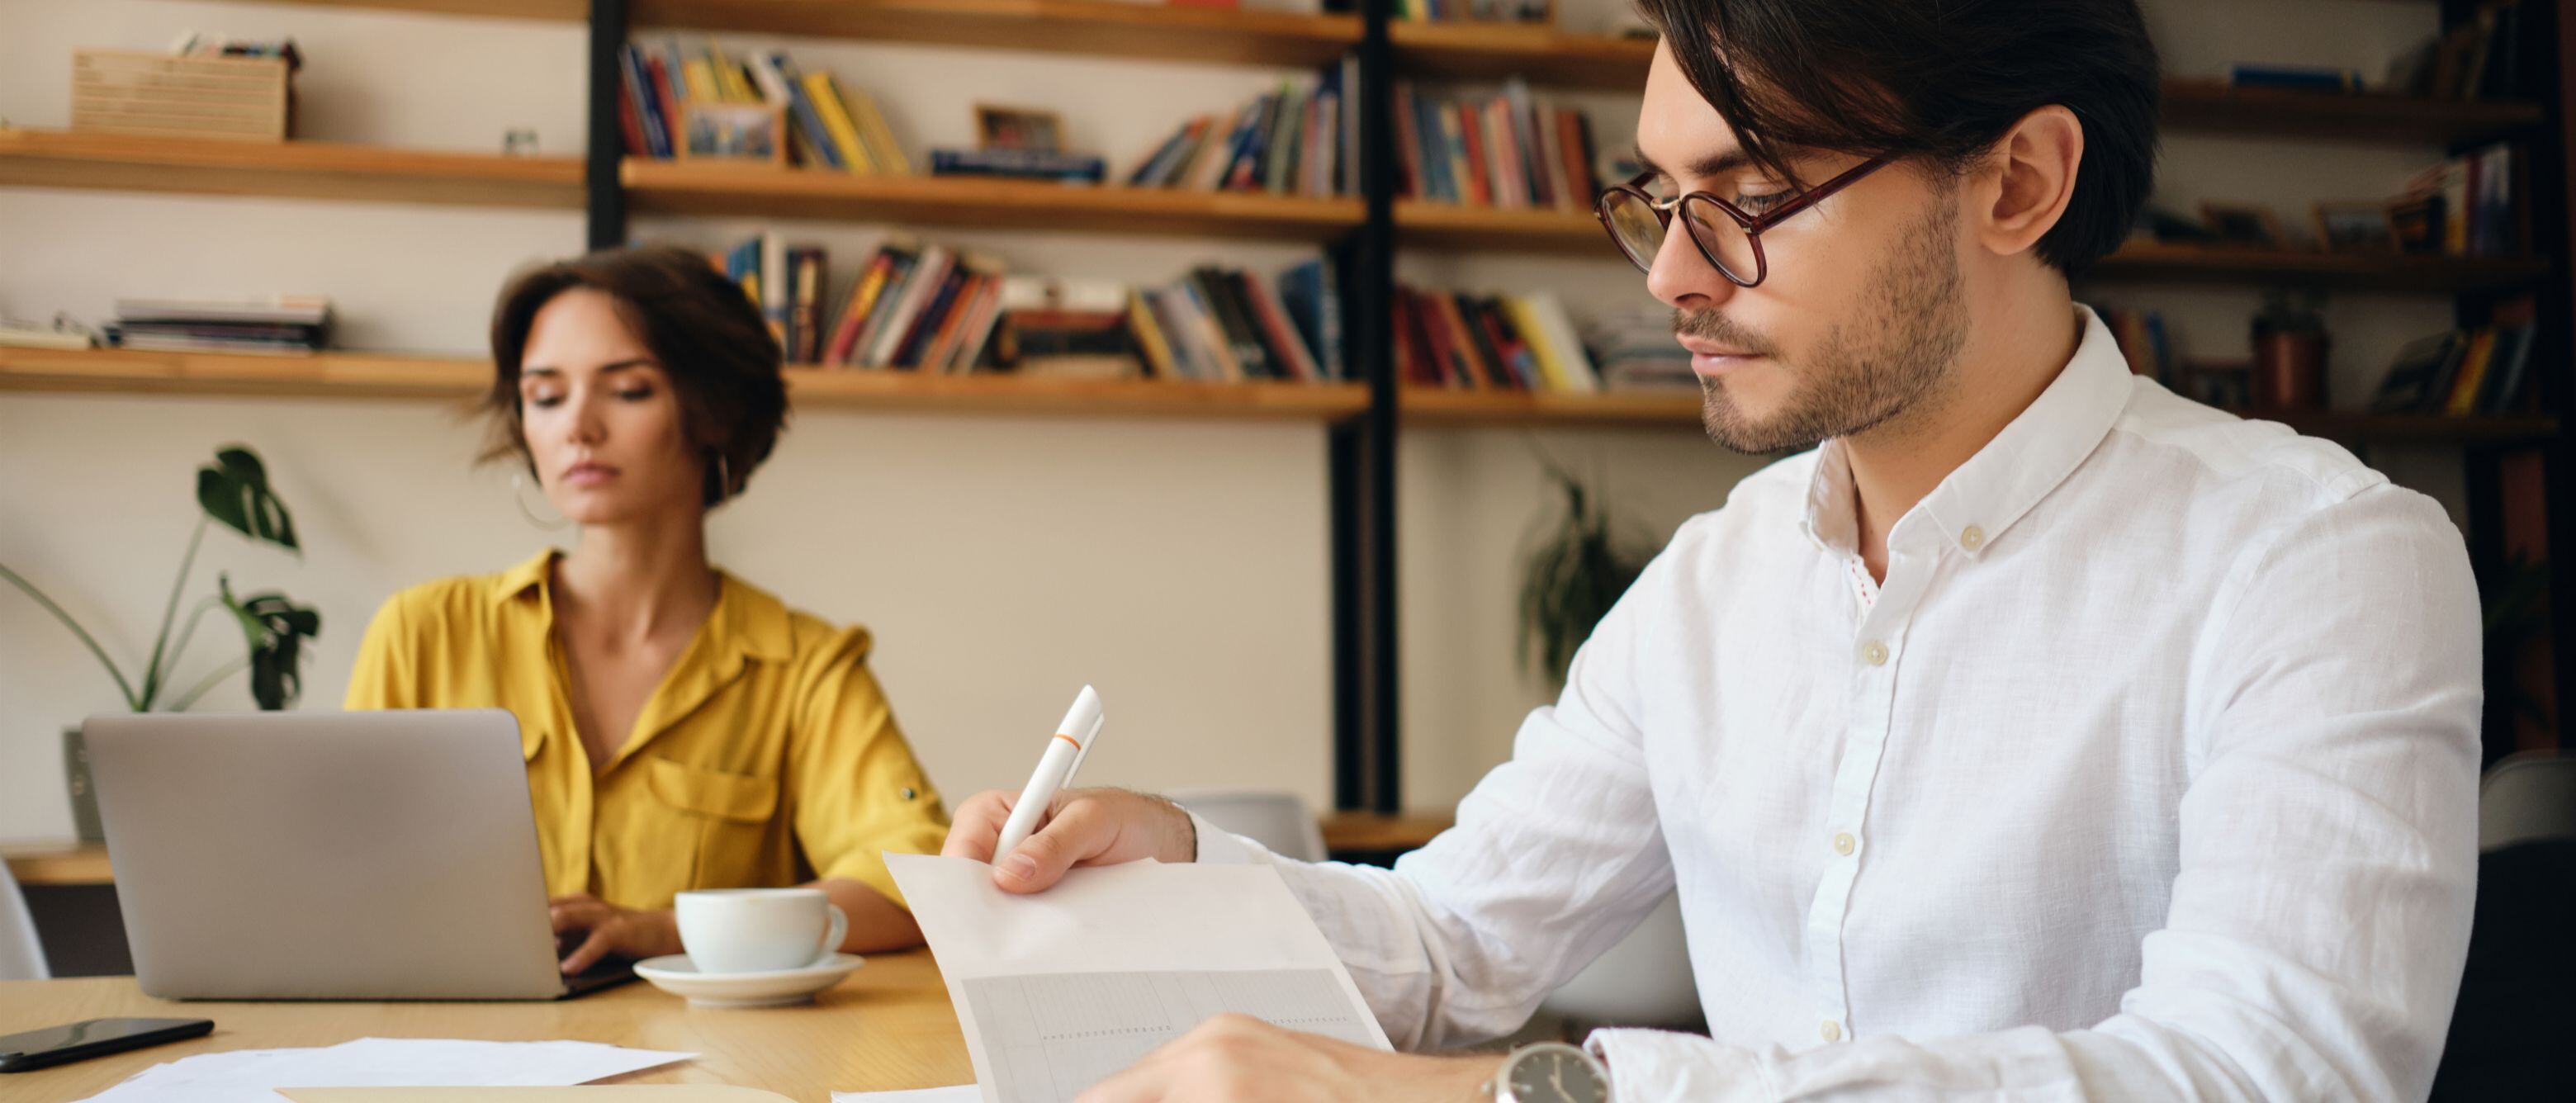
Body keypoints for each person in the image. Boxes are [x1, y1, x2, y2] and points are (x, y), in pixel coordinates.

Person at [941, 1, 2482, 1099]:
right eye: (1661, 201)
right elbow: (1455, 938)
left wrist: (1533, 1097)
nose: (1671, 276)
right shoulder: (1712, 584)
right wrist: (1179, 866)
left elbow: (2264, 1075)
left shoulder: (2321, 563)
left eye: (1748, 198)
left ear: (2018, 182)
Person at [348, 245, 949, 974]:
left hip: (707, 1045)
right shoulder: (422, 633)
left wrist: (671, 932)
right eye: (546, 397)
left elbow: (913, 875)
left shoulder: (805, 667)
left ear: (713, 413)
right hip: (454, 1040)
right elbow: (336, 874)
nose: (578, 427)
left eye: (628, 390)